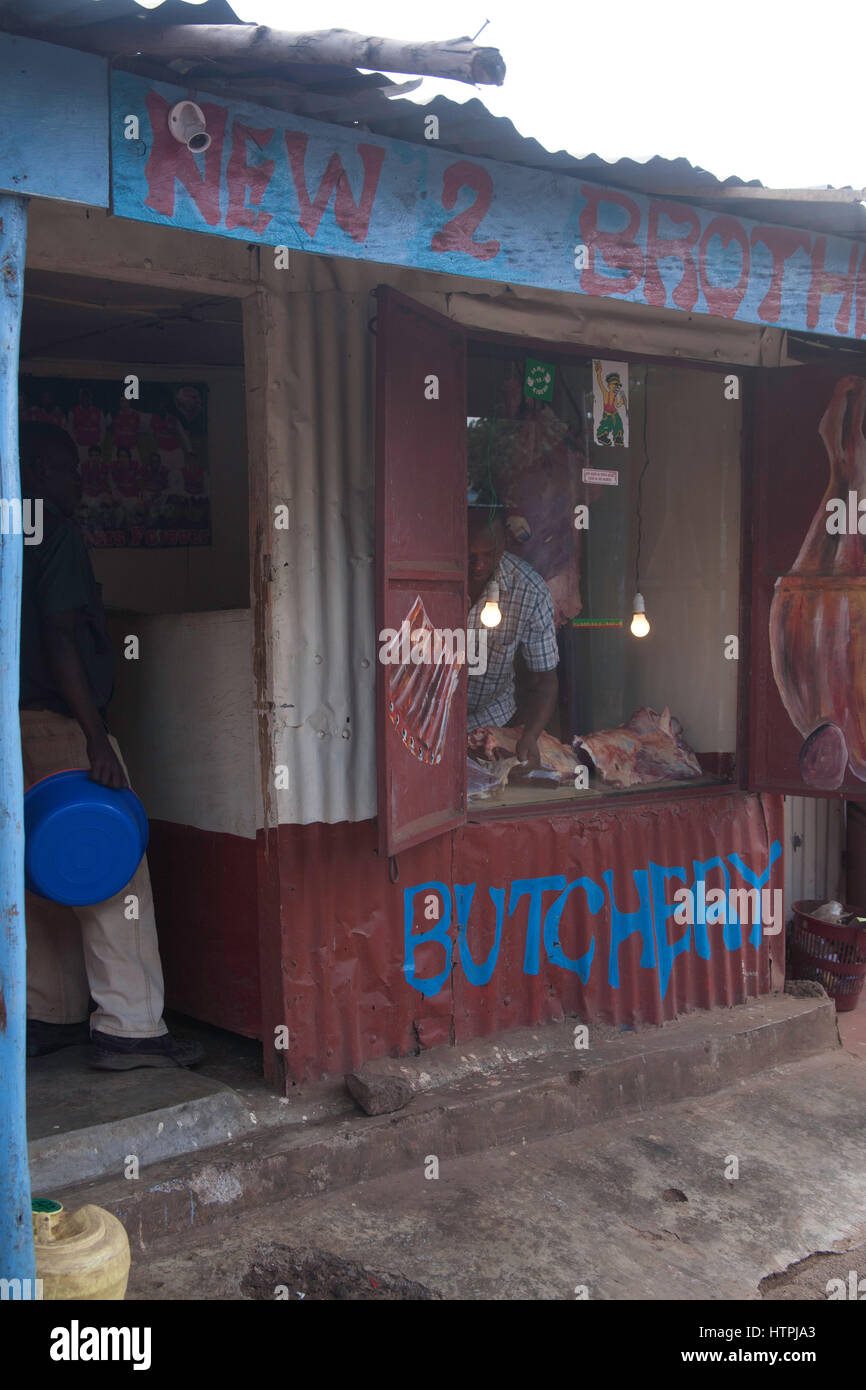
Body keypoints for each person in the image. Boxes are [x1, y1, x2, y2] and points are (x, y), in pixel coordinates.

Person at [18, 421, 204, 1070]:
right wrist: (96, 738)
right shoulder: (56, 534)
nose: (79, 481)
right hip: (60, 726)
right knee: (112, 871)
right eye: (68, 469)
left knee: (39, 870)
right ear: (36, 472)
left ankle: (50, 1012)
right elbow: (60, 635)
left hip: (11, 731)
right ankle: (131, 1026)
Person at [466, 505, 559, 767]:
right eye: (470, 555)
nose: (479, 565)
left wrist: (530, 735)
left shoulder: (530, 590)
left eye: (489, 554)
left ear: (504, 545)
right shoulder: (430, 577)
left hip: (492, 721)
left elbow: (545, 680)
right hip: (428, 720)